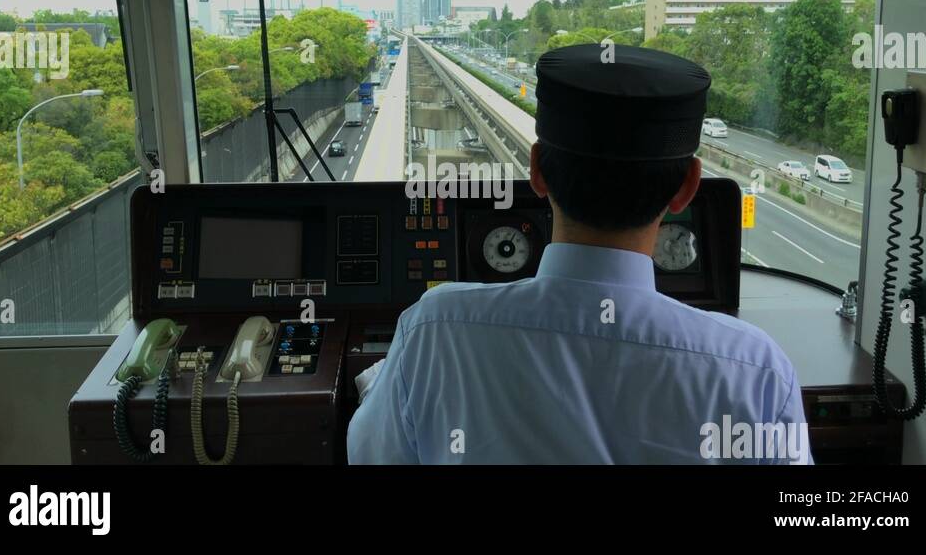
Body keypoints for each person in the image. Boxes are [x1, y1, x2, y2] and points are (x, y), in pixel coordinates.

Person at [347, 44, 810, 464]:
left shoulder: (434, 330)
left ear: (537, 171)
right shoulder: (757, 371)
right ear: (688, 187)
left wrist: (383, 387)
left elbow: (371, 455)